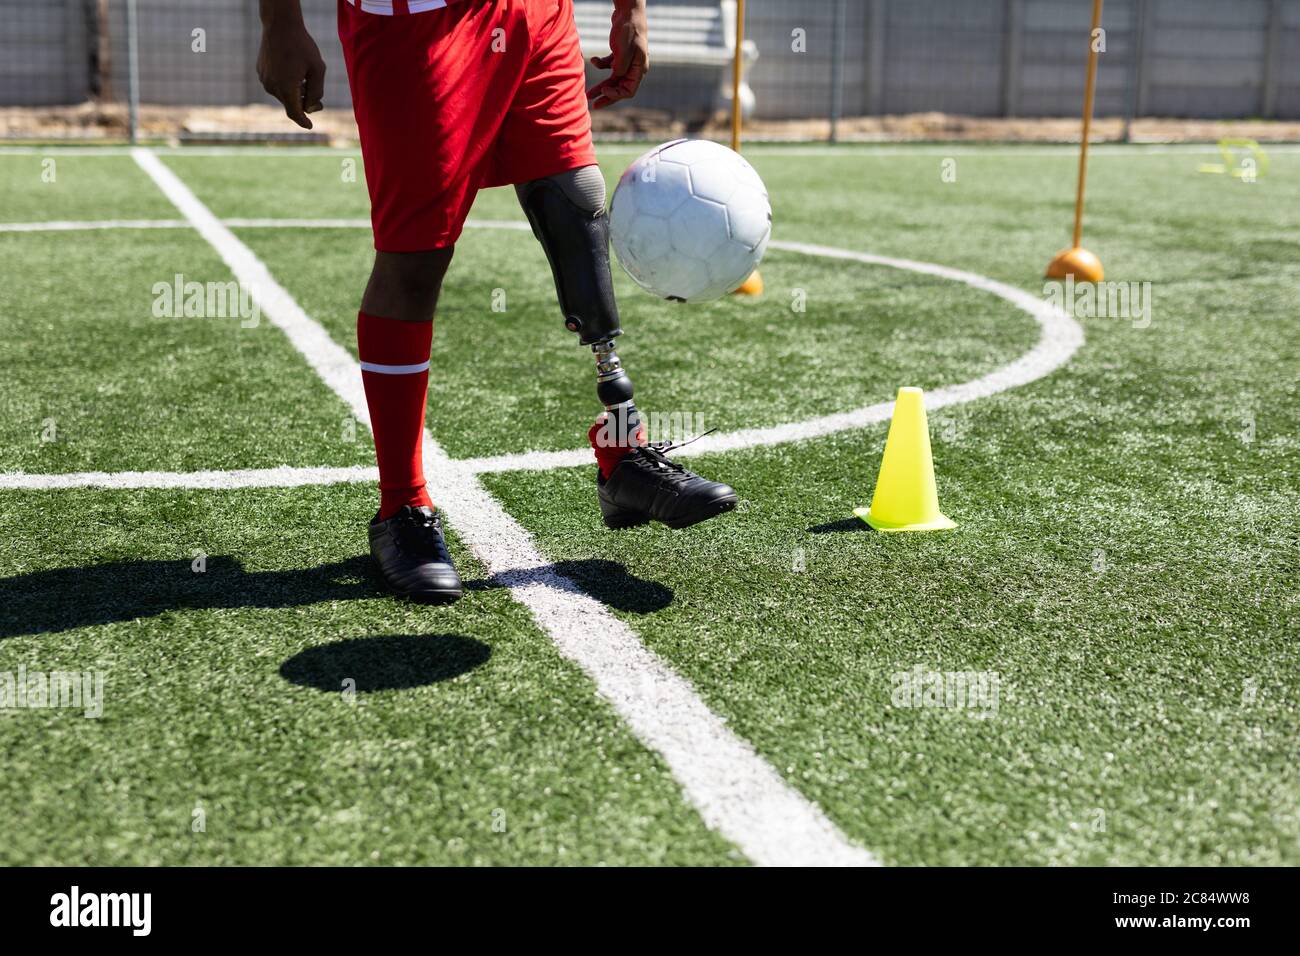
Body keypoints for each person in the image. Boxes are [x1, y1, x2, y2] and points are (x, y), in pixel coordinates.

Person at [256, 0, 736, 604]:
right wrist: (279, 21)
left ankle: (622, 449)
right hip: (416, 22)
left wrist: (630, 9)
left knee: (575, 204)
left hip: (534, 13)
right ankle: (401, 507)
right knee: (416, 259)